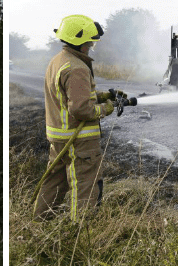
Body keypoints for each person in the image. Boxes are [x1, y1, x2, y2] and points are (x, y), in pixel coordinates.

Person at [33, 13, 117, 220]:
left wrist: (102, 95)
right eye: (89, 42)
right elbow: (80, 109)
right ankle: (81, 233)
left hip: (60, 138)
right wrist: (106, 108)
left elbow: (70, 96)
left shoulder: (59, 61)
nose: (90, 46)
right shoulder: (78, 67)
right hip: (78, 140)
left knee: (54, 183)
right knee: (85, 187)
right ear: (80, 42)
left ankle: (38, 224)